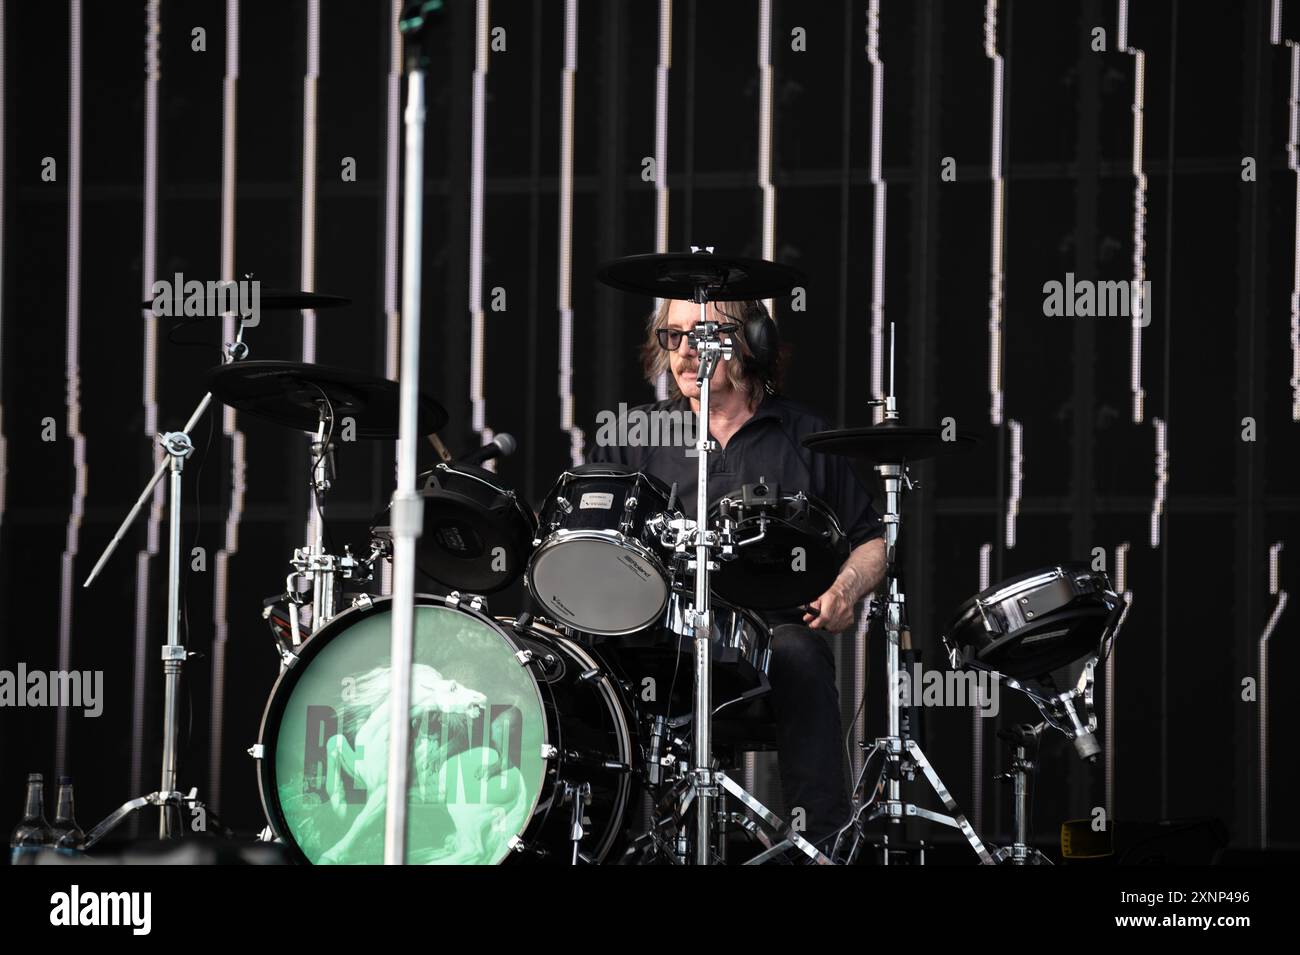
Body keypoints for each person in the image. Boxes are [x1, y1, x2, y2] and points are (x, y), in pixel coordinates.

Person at [589, 295, 887, 847]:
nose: (682, 353)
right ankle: (606, 841)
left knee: (801, 651)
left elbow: (872, 540)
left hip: (771, 641)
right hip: (665, 639)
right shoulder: (636, 437)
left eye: (699, 337)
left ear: (749, 341)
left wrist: (845, 589)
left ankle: (821, 847)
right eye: (671, 337)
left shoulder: (805, 437)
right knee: (594, 662)